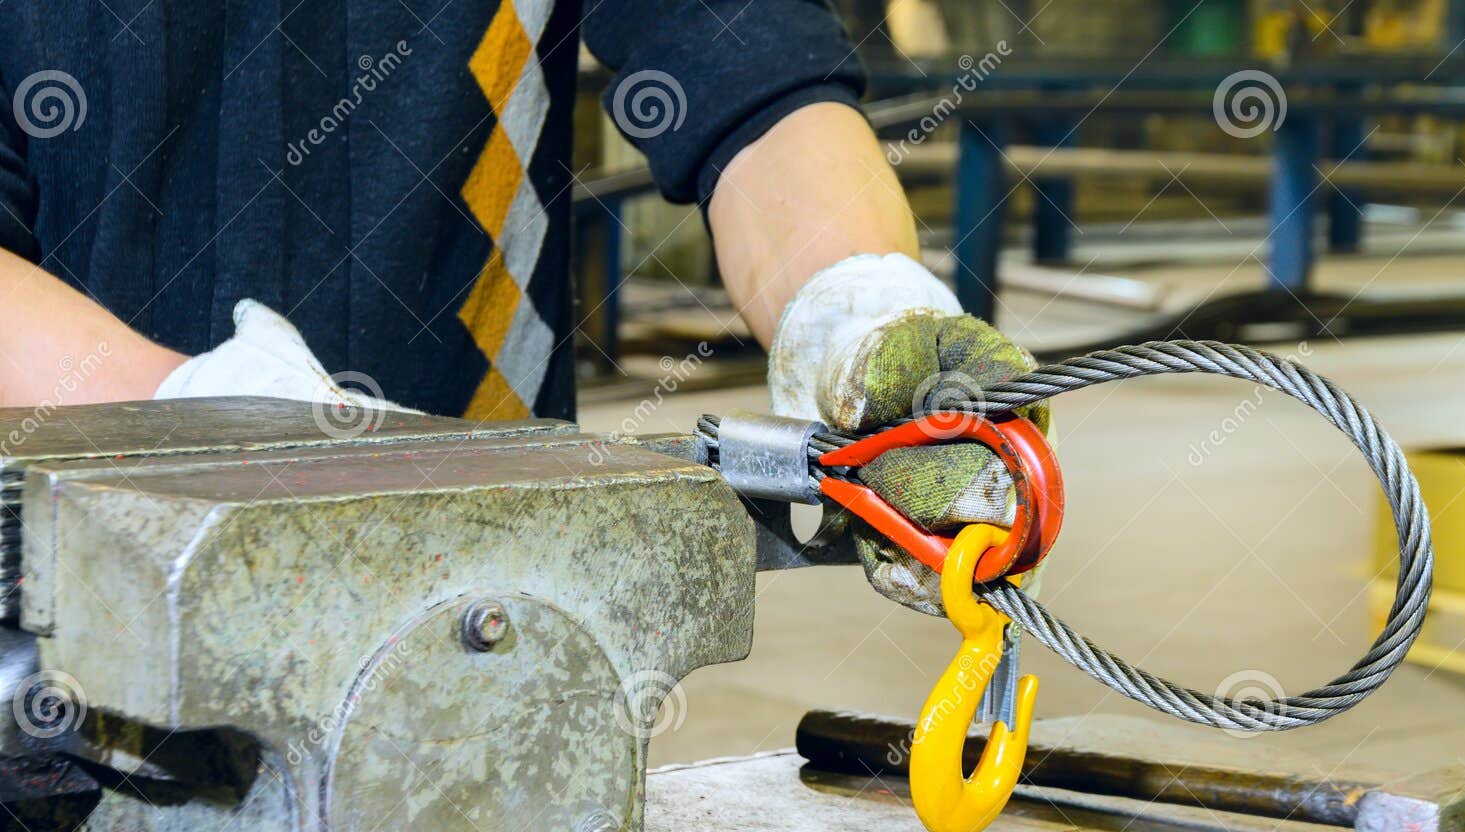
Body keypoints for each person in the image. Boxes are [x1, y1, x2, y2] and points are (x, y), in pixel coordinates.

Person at [0, 0, 1044, 613]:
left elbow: (747, 71)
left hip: (498, 590)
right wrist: (196, 411)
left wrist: (859, 307)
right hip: (60, 586)